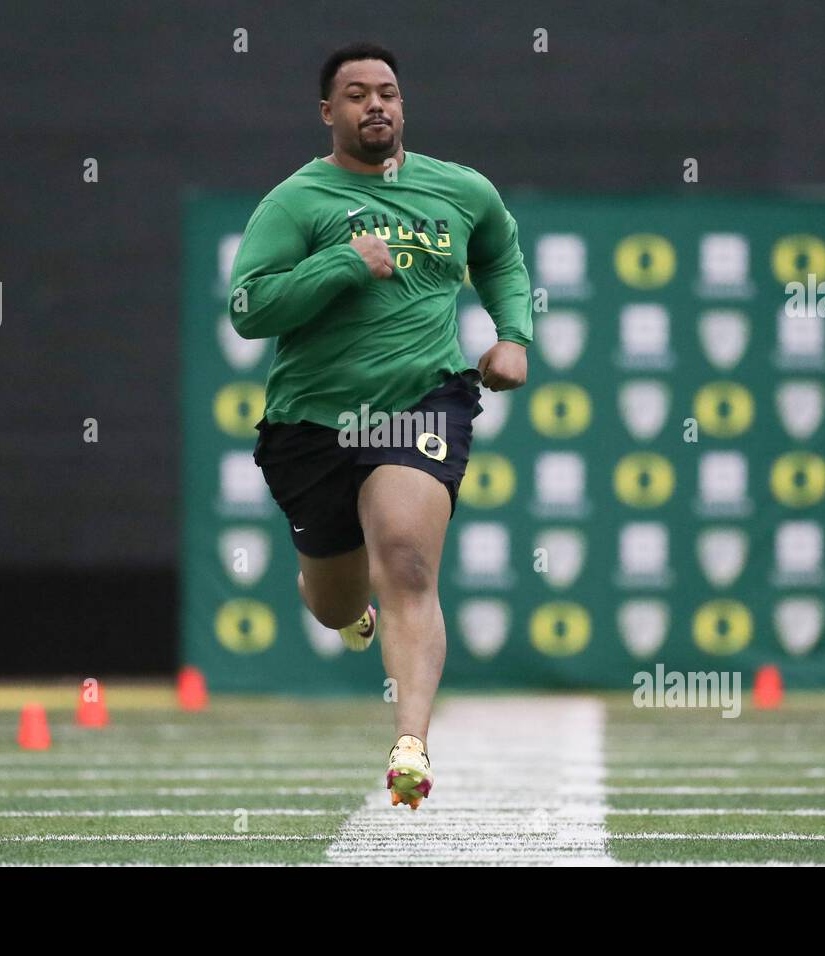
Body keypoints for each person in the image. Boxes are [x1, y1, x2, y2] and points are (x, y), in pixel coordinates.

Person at [227, 42, 532, 809]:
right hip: (312, 424)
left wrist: (514, 335)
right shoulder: (296, 201)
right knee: (334, 600)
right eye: (357, 95)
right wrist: (341, 264)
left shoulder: (461, 190)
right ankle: (352, 616)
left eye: (388, 93)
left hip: (422, 401)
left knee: (405, 559)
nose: (376, 106)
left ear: (403, 104)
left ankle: (411, 745)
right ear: (329, 112)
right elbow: (249, 309)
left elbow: (500, 255)